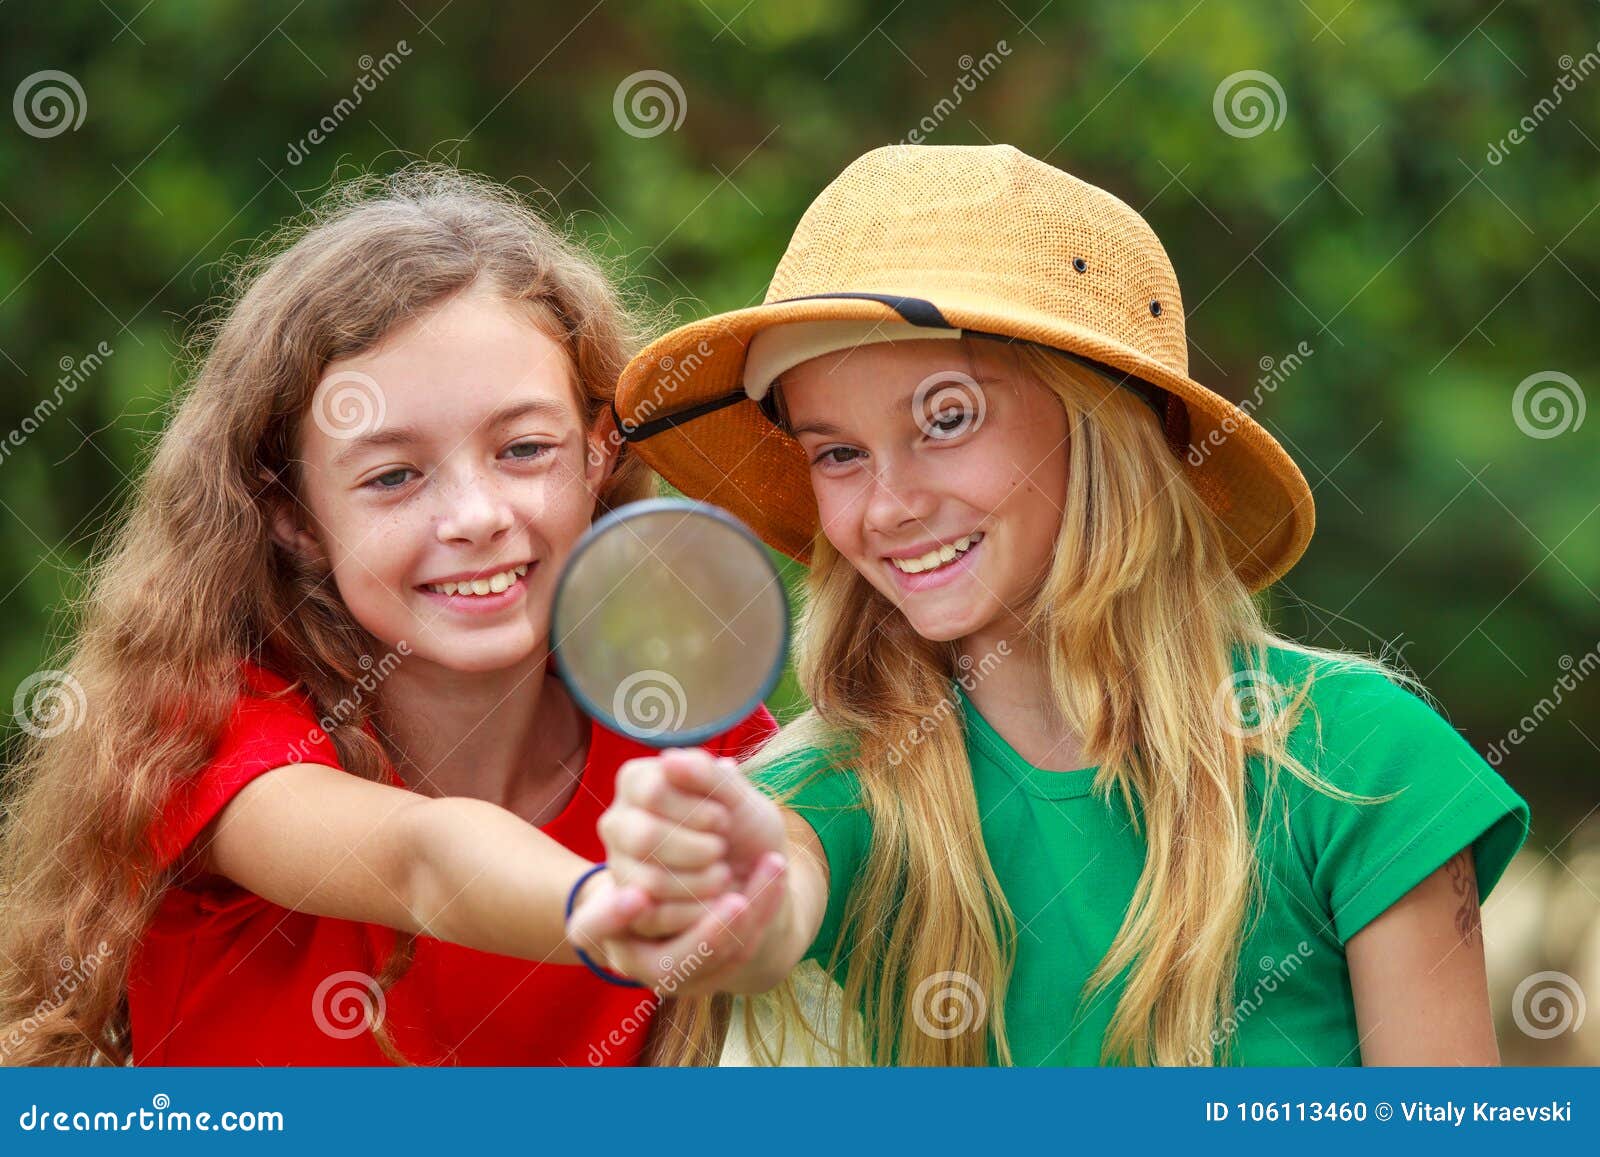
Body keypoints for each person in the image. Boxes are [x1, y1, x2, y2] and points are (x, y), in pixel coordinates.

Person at [569, 144, 1531, 1066]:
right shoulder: (843, 782)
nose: (890, 504)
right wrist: (724, 887)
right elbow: (770, 902)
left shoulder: (1359, 760)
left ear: (1108, 425)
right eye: (837, 452)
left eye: (946, 419)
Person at [0, 166, 773, 1066]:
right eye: (394, 475)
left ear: (599, 456)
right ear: (292, 516)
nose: (476, 515)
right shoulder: (218, 731)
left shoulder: (686, 730)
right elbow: (425, 859)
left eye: (525, 448)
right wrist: (628, 913)